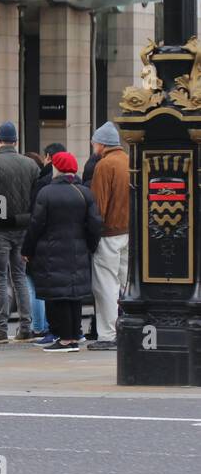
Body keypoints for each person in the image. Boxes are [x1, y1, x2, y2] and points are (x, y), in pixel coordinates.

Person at [22, 151, 101, 353]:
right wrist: (90, 246)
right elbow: (94, 224)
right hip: (78, 250)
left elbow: (36, 225)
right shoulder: (85, 192)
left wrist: (27, 250)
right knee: (73, 295)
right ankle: (74, 334)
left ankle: (65, 339)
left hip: (51, 251)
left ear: (56, 168)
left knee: (59, 296)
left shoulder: (46, 193)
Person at [0, 121, 39, 343]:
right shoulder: (31, 165)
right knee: (20, 277)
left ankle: (0, 329)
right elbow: (36, 200)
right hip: (23, 229)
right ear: (16, 141)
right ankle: (25, 327)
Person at [88, 122, 129, 350]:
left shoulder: (105, 165)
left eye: (95, 142)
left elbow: (99, 205)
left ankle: (108, 334)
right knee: (127, 284)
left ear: (102, 143)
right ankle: (132, 327)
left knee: (105, 284)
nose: (94, 145)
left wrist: (93, 234)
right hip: (128, 232)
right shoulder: (128, 161)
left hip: (109, 233)